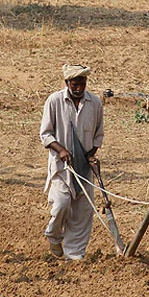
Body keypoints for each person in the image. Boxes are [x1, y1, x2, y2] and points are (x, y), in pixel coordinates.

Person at [39, 63, 104, 260]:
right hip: (62, 167)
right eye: (75, 84)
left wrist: (91, 155)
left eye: (82, 83)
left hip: (84, 169)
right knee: (61, 204)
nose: (79, 88)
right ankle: (54, 235)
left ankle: (74, 255)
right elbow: (46, 134)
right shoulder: (55, 101)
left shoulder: (94, 103)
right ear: (67, 83)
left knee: (83, 213)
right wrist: (60, 150)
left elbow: (97, 135)